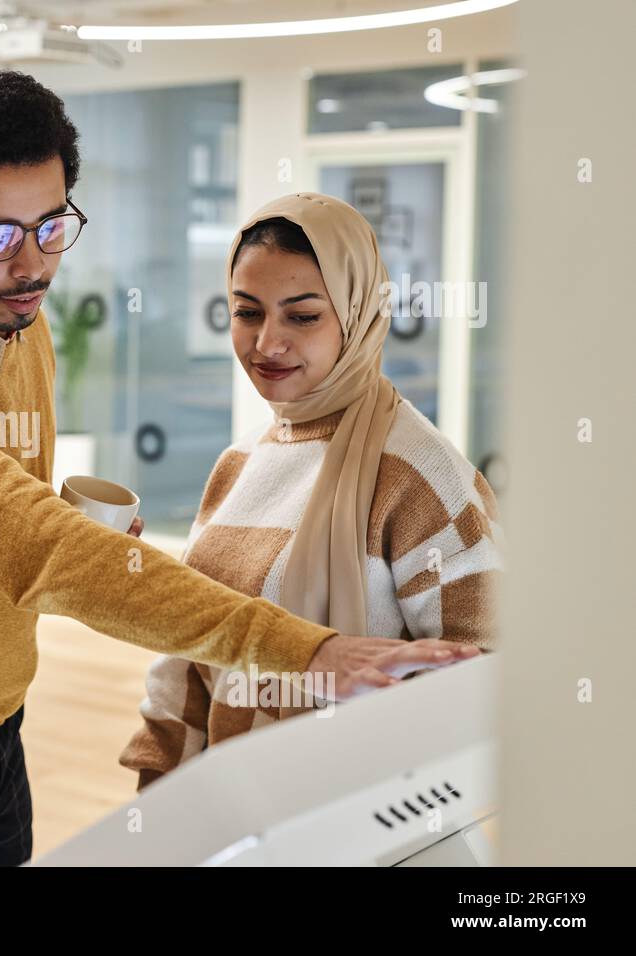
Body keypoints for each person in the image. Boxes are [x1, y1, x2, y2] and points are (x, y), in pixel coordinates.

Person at [0, 70, 479, 867]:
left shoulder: (17, 320)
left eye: (51, 226)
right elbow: (45, 551)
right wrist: (312, 653)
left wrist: (53, 517)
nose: (31, 266)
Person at [120, 194, 502, 788]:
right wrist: (158, 790)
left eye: (302, 316)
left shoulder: (417, 471)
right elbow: (190, 658)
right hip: (229, 813)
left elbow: (481, 676)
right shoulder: (240, 461)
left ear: (356, 314)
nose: (267, 343)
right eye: (248, 312)